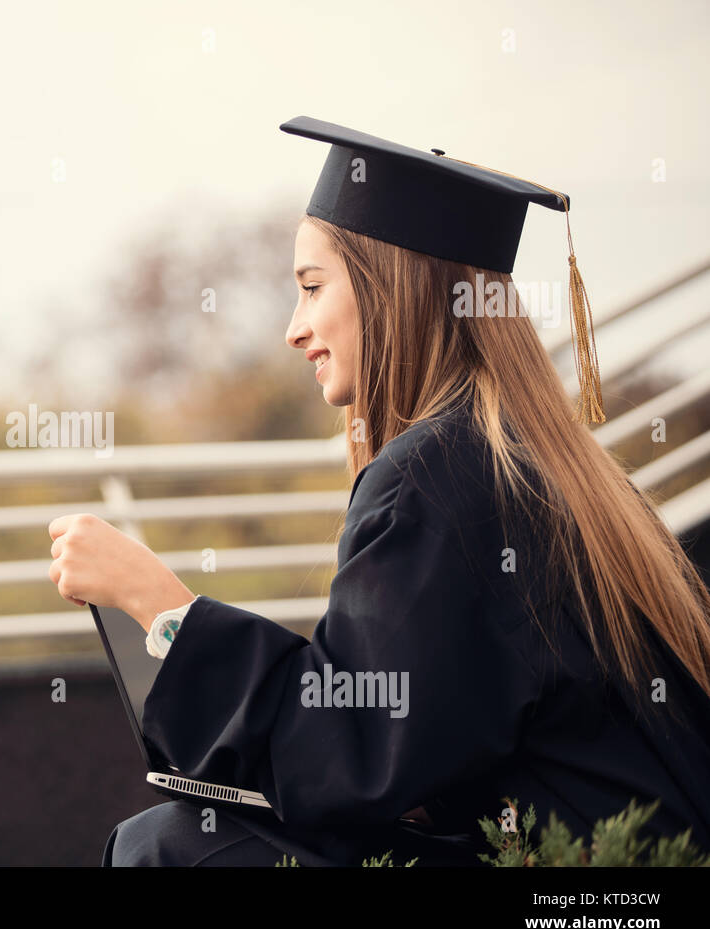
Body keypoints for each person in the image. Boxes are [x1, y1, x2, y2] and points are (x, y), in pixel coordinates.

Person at [48, 117, 710, 866]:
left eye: (310, 287)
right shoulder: (548, 465)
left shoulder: (436, 473)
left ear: (391, 288)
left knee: (165, 847)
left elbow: (349, 752)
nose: (294, 329)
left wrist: (165, 607)